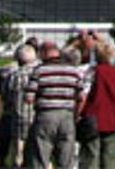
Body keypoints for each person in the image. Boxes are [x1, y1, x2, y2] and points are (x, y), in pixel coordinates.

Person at [26, 40, 83, 169]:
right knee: (66, 159)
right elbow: (81, 97)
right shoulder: (73, 71)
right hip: (67, 116)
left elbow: (29, 97)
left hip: (45, 115)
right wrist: (76, 114)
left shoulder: (39, 71)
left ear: (44, 53)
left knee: (41, 157)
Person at [78, 41, 115, 169]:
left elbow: (84, 95)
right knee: (110, 157)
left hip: (94, 117)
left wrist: (77, 114)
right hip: (113, 119)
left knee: (90, 156)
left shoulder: (92, 72)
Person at [0, 43, 38, 168]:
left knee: (18, 156)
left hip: (19, 120)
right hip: (38, 120)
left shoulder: (14, 76)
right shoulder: (41, 73)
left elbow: (5, 97)